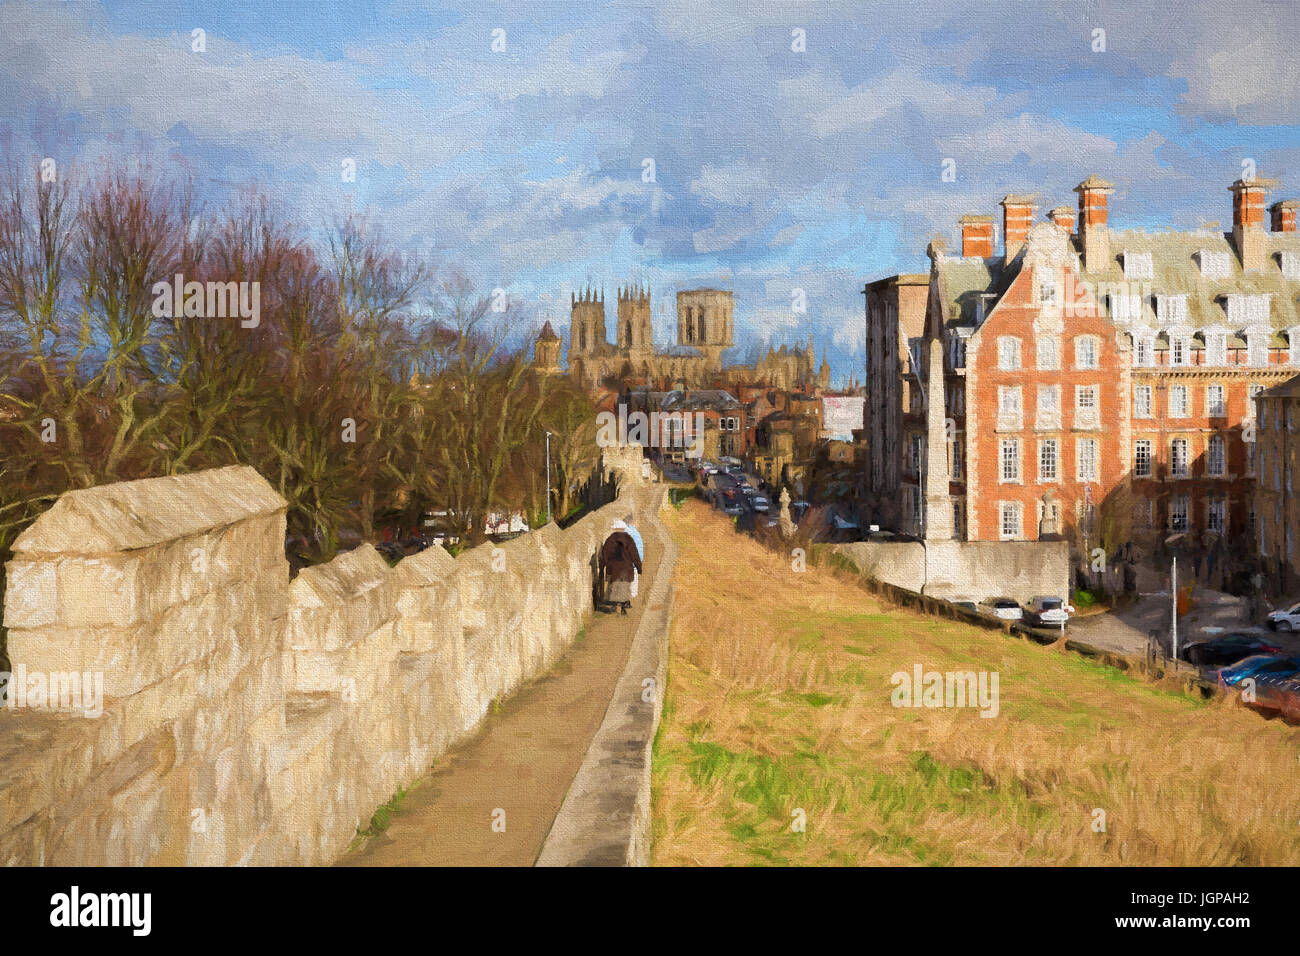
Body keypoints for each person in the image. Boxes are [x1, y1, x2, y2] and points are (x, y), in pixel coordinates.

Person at [599, 519, 642, 615]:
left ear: (614, 529)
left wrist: (602, 567)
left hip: (613, 569)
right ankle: (623, 607)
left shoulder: (610, 540)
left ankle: (614, 605)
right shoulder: (629, 539)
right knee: (625, 588)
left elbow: (605, 554)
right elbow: (634, 554)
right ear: (623, 529)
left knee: (614, 587)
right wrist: (639, 567)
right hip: (626, 569)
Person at [623, 513, 645, 599]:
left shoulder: (625, 532)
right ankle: (633, 596)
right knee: (634, 579)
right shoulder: (637, 533)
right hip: (637, 561)